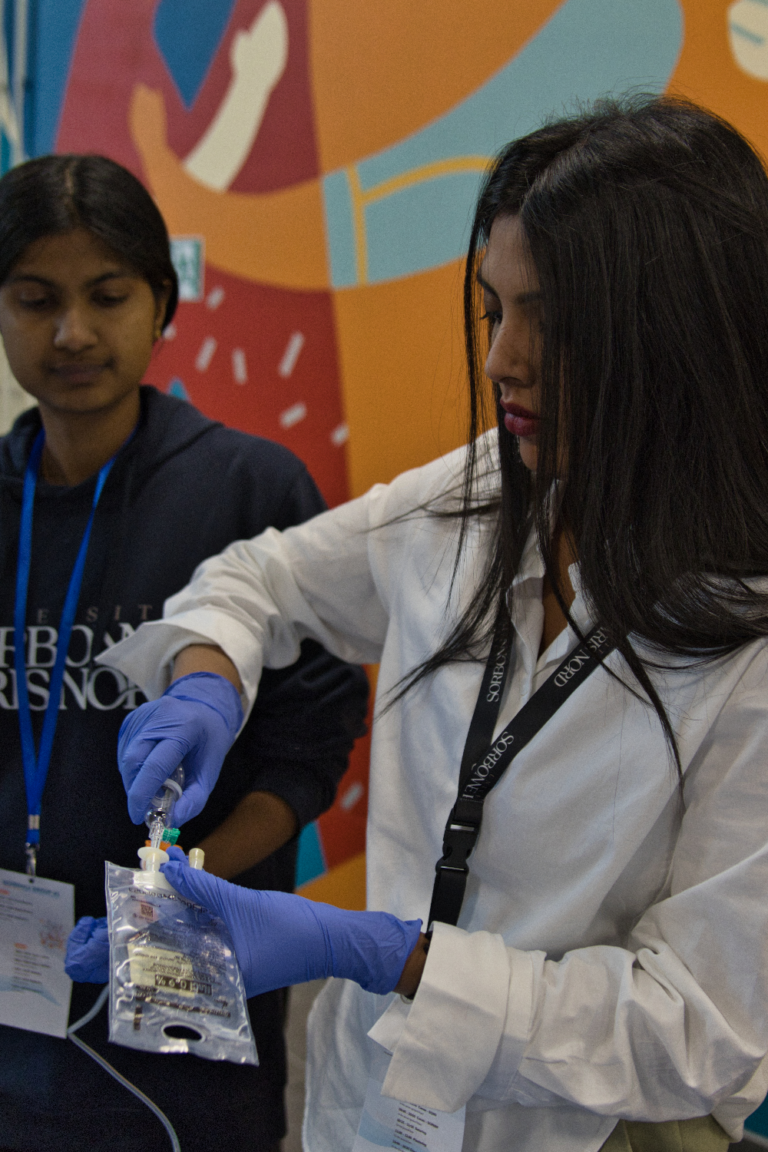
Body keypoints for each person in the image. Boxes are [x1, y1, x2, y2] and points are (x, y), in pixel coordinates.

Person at [75, 96, 768, 1151]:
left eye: (555, 322)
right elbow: (259, 577)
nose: (503, 362)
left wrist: (379, 953)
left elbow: (695, 1031)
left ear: (680, 330)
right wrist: (211, 673)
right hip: (365, 1108)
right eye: (495, 312)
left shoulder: (748, 638)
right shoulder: (472, 502)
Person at [0, 153, 368, 1152]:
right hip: (10, 986)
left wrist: (175, 892)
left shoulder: (250, 492)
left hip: (187, 977)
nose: (72, 333)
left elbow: (313, 747)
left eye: (107, 296)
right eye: (36, 299)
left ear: (161, 303)